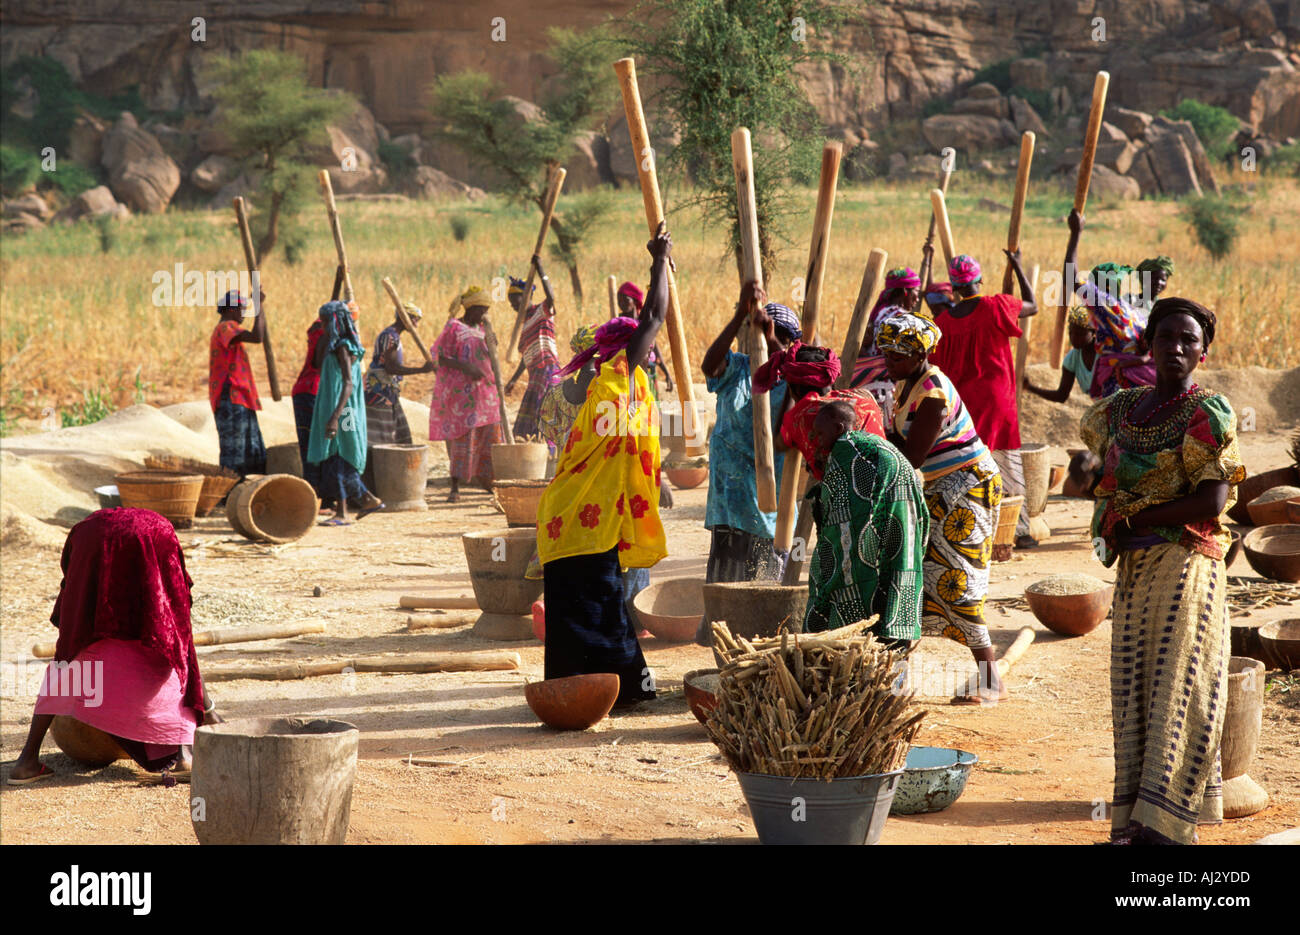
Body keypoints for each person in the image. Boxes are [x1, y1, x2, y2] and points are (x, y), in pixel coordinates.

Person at [1080, 297, 1243, 845]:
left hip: (1186, 565)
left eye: (1188, 340)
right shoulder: (1119, 410)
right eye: (1165, 336)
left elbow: (1211, 501)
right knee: (1135, 691)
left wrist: (1136, 514)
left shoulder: (1208, 413)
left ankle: (1165, 825)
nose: (1175, 347)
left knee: (1180, 687)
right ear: (1147, 343)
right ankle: (1135, 817)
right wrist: (1108, 505)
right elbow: (1095, 470)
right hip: (1136, 568)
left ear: (1203, 351)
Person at [535, 223, 673, 706]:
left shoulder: (597, 385)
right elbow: (654, 315)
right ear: (624, 353)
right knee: (603, 608)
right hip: (584, 518)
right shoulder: (618, 379)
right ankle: (624, 691)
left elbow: (651, 321)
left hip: (569, 517)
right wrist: (660, 260)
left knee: (577, 612)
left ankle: (577, 691)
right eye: (640, 349)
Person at [9, 509, 217, 785]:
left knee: (65, 662)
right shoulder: (161, 620)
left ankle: (26, 760)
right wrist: (210, 712)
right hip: (148, 543)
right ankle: (183, 755)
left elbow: (70, 578)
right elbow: (179, 608)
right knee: (175, 651)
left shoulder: (87, 610)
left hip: (95, 544)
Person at [878, 312, 1006, 704]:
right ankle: (894, 678)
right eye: (886, 354)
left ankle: (992, 681)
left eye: (897, 357)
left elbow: (911, 456)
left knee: (958, 583)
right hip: (942, 488)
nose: (889, 363)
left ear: (920, 354)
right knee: (918, 576)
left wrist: (874, 433)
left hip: (968, 488)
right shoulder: (909, 384)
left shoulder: (932, 394)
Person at [795, 399, 927, 643]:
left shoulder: (846, 449)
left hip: (888, 507)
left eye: (820, 433)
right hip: (902, 510)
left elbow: (841, 520)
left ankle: (851, 630)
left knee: (839, 569)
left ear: (838, 428)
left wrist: (827, 578)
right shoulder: (873, 443)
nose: (817, 440)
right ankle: (895, 638)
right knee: (896, 562)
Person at [930, 251, 1038, 548]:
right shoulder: (996, 307)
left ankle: (976, 530)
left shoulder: (943, 324)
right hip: (997, 399)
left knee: (970, 462)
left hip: (962, 405)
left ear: (953, 287)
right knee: (1007, 460)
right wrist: (1017, 265)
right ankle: (1021, 531)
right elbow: (1033, 305)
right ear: (979, 280)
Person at [699, 284, 797, 588]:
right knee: (725, 587)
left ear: (791, 343)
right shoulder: (738, 368)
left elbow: (808, 387)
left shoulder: (794, 377)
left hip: (772, 507)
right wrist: (741, 313)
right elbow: (709, 365)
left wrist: (772, 341)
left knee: (764, 588)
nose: (769, 341)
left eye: (780, 335)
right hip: (731, 501)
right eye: (766, 333)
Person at [1063, 210, 1155, 398]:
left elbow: (1069, 277)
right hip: (1143, 389)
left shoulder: (1105, 307)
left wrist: (1075, 233)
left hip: (1119, 392)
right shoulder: (1134, 312)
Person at [308, 300, 382, 525]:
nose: (325, 326)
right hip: (337, 407)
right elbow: (316, 362)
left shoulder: (344, 346)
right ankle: (369, 499)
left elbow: (348, 383)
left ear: (337, 321)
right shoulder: (335, 344)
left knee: (340, 456)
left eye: (327, 321)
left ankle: (342, 512)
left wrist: (334, 417)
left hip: (344, 411)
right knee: (335, 453)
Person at [428, 286, 505, 503]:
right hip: (462, 395)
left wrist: (492, 340)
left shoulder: (483, 328)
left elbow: (492, 356)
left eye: (486, 310)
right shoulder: (453, 327)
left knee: (491, 437)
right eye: (481, 310)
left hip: (486, 393)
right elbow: (439, 356)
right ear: (470, 309)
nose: (484, 314)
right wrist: (465, 367)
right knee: (463, 437)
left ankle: (490, 483)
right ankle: (455, 487)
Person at [209, 289, 266, 478]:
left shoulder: (227, 329)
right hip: (231, 396)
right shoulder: (226, 327)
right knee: (234, 449)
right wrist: (259, 306)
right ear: (231, 309)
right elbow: (257, 337)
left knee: (248, 446)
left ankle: (239, 491)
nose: (243, 313)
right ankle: (229, 494)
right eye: (242, 309)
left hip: (238, 396)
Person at [364, 300, 434, 457]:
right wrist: (421, 370)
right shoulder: (390, 337)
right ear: (404, 317)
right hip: (379, 391)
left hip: (386, 391)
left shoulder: (393, 336)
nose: (416, 324)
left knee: (393, 430)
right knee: (381, 434)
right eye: (414, 318)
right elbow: (391, 368)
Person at [504, 278, 560, 441]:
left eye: (515, 301)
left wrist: (541, 270)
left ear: (527, 297)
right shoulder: (523, 325)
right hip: (535, 374)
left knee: (542, 417)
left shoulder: (541, 312)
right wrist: (514, 380)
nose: (513, 305)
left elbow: (551, 297)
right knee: (525, 424)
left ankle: (549, 458)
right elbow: (526, 356)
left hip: (548, 369)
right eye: (511, 302)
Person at [1023, 306, 1097, 403]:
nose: (1073, 338)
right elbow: (1061, 395)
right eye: (1071, 333)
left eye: (1079, 334)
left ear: (1093, 332)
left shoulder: (1107, 354)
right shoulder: (1072, 359)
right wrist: (1030, 387)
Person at [291, 306, 326, 498]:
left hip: (305, 390)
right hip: (314, 392)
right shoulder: (325, 336)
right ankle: (316, 495)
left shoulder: (319, 331)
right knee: (316, 445)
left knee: (310, 446)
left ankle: (315, 494)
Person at [617, 282, 673, 397]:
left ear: (635, 300)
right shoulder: (618, 323)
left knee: (652, 409)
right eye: (619, 299)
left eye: (625, 299)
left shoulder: (643, 322)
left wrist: (667, 373)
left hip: (648, 374)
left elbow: (654, 347)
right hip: (629, 376)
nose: (621, 303)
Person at [1123, 255, 1174, 328]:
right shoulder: (1130, 300)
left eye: (1163, 280)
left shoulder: (1163, 306)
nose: (1159, 282)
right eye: (1154, 278)